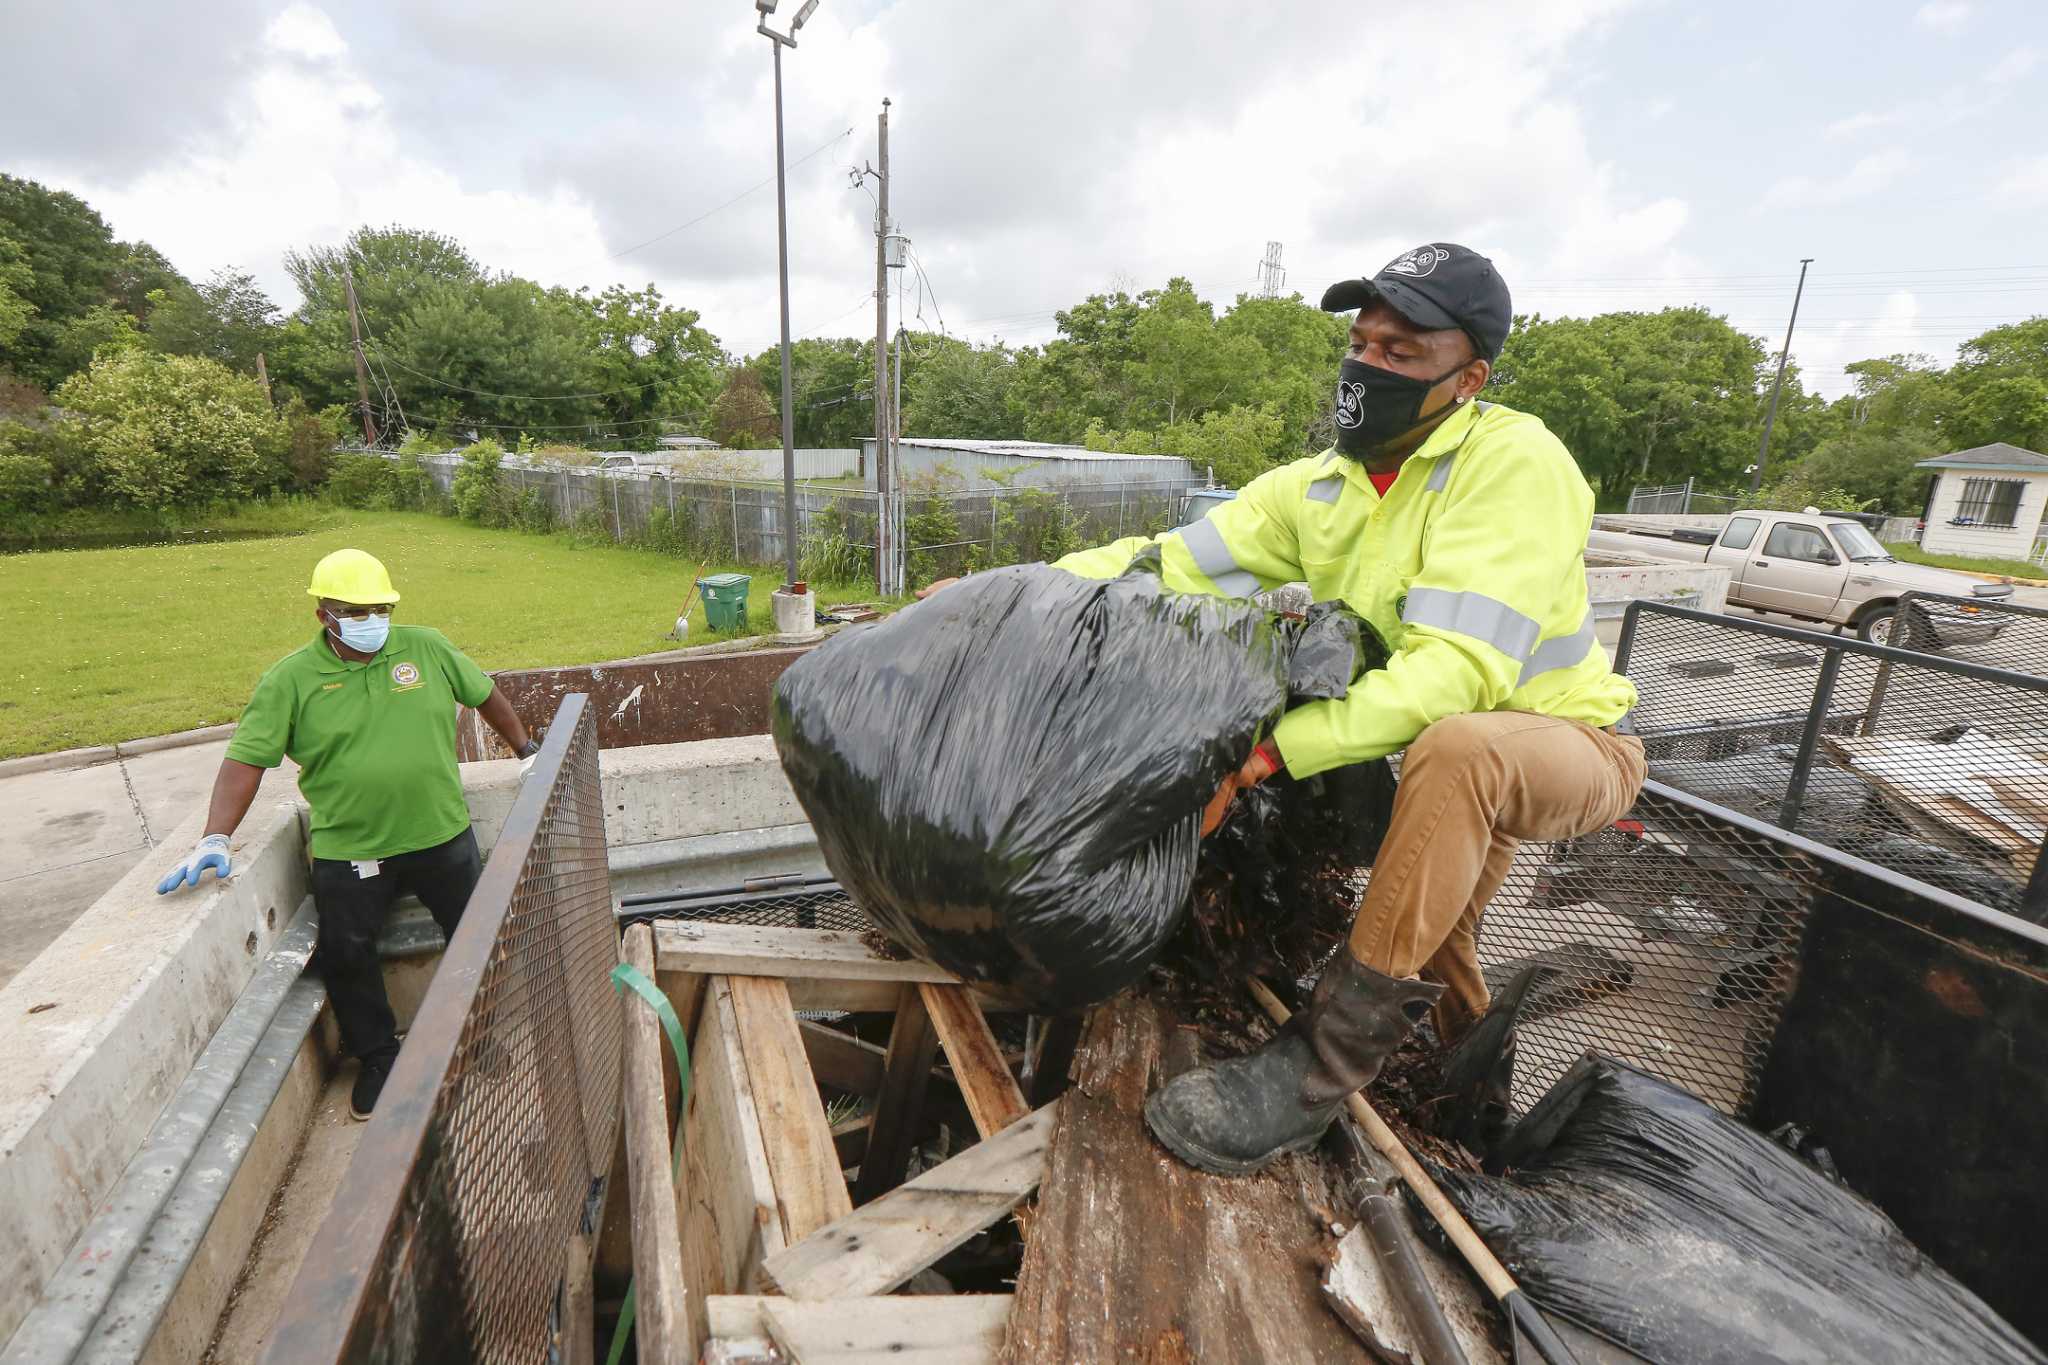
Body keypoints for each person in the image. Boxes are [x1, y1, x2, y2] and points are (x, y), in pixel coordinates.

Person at [924, 243, 1645, 1174]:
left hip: (1565, 743)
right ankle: (1477, 1118)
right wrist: (1002, 591)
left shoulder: (1514, 464)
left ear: (1469, 379)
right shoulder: (1322, 486)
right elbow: (1163, 561)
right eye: (1362, 342)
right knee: (1441, 944)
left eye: (1401, 353)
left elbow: (1455, 675)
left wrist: (1261, 757)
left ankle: (1315, 1069)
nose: (1368, 366)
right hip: (1442, 759)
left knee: (1460, 751)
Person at [156, 548, 540, 1120]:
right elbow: (246, 761)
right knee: (349, 955)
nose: (371, 620)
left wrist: (526, 751)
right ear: (324, 617)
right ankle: (378, 1059)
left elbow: (485, 694)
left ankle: (475, 1034)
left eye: (379, 608)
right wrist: (216, 836)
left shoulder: (427, 648)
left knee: (478, 936)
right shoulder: (290, 680)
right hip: (351, 849)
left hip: (442, 835)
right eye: (355, 611)